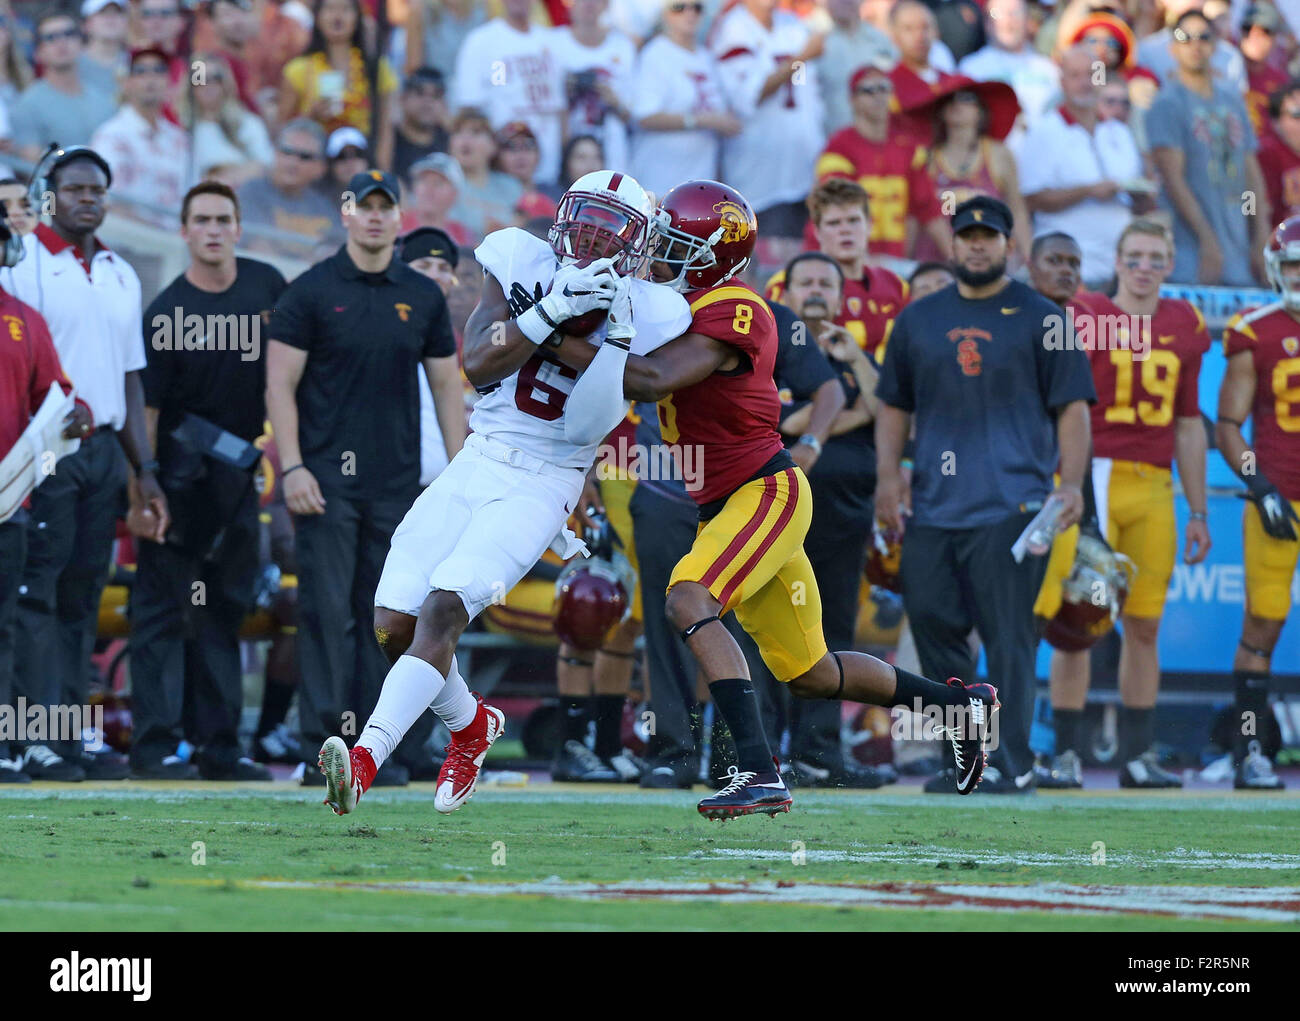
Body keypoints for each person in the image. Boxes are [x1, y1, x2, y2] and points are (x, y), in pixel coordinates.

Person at [553, 180, 1001, 817]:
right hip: (728, 500)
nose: (660, 256)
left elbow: (651, 380)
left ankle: (756, 772)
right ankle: (960, 708)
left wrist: (548, 334)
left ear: (720, 253)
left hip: (764, 492)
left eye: (676, 245)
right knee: (810, 671)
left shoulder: (739, 308)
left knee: (687, 596)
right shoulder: (674, 303)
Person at [313, 170, 692, 816]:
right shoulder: (518, 254)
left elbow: (599, 414)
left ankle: (366, 758)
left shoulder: (654, 307)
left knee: (442, 609)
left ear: (638, 245)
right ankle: (471, 724)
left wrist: (610, 335)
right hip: (479, 454)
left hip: (546, 476)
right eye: (587, 220)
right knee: (394, 623)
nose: (594, 240)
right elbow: (481, 361)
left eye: (612, 229)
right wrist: (551, 310)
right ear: (564, 215)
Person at [875, 194, 1096, 794]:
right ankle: (964, 762)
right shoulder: (918, 319)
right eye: (967, 235)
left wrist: (1070, 484)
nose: (977, 244)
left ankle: (1012, 760)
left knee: (1009, 638)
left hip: (1015, 506)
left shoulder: (1043, 317)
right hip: (934, 508)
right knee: (935, 631)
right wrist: (888, 481)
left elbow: (1073, 409)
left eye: (989, 235)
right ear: (952, 244)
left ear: (1009, 245)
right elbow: (893, 406)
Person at [266, 169, 466, 789]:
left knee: (388, 618)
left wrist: (461, 481)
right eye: (365, 206)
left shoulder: (423, 296)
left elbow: (444, 389)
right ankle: (321, 746)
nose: (376, 216)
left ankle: (383, 751)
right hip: (324, 481)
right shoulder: (310, 291)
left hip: (398, 486)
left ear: (399, 217)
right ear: (346, 214)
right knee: (326, 614)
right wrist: (292, 466)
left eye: (387, 206)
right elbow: (279, 385)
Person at [2, 145, 165, 782]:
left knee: (81, 595)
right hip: (44, 445)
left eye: (98, 188)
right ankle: (34, 737)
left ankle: (70, 738)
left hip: (103, 449)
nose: (88, 198)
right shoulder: (23, 265)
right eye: (74, 189)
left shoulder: (122, 272)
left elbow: (129, 377)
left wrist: (143, 469)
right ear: (49, 195)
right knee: (34, 594)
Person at [1040, 220, 1211, 791]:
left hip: (1154, 481)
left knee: (1145, 625)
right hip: (1096, 475)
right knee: (1079, 619)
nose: (1144, 267)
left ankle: (1138, 757)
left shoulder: (1184, 322)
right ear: (1116, 261)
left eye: (1155, 257)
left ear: (1168, 264)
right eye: (1134, 256)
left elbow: (1190, 424)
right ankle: (1063, 752)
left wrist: (1200, 510)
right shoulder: (1083, 313)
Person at [130, 182, 287, 780]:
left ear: (239, 227)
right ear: (185, 230)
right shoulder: (165, 311)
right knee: (161, 615)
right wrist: (144, 487)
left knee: (225, 612)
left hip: (239, 476)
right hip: (177, 477)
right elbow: (144, 413)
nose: (214, 229)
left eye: (224, 218)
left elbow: (297, 367)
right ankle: (153, 747)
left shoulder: (268, 285)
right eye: (202, 220)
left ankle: (221, 749)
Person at [771, 254, 892, 788]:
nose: (816, 291)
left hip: (844, 515)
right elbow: (782, 419)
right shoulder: (766, 348)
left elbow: (891, 410)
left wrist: (857, 365)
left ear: (841, 296)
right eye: (806, 283)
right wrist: (849, 410)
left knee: (835, 631)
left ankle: (820, 752)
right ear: (787, 291)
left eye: (826, 283)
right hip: (776, 511)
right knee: (768, 630)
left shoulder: (853, 356)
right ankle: (763, 753)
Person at [0, 205, 88, 783]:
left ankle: (5, 745)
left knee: (4, 623)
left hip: (7, 502)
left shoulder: (25, 320)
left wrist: (74, 416)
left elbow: (56, 396)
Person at [1216, 214, 1300, 791]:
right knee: (1261, 628)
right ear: (1277, 269)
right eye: (1295, 264)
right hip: (1282, 498)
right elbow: (1227, 425)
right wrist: (1261, 485)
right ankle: (1251, 752)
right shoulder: (1256, 329)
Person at [1148, 9, 1270, 288]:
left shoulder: (1233, 100)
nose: (1195, 44)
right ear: (1172, 48)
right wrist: (1207, 239)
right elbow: (1173, 180)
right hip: (1193, 255)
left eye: (1203, 37)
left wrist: (1259, 235)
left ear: (1215, 45)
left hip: (1239, 252)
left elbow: (1249, 174)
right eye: (1185, 37)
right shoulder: (1167, 103)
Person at [1019, 45, 1144, 289]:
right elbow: (1030, 199)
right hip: (1070, 271)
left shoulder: (1119, 131)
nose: (1084, 82)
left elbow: (1139, 197)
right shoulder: (1044, 131)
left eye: (1091, 74)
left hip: (1120, 270)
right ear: (1062, 81)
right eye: (1075, 75)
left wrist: (1143, 195)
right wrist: (1087, 191)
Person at [711, 0, 826, 249]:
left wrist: (799, 62)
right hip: (762, 179)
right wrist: (801, 57)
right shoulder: (733, 27)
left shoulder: (792, 25)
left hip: (803, 170)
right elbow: (749, 97)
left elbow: (801, 81)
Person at [815, 60, 951, 262]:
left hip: (894, 263)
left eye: (884, 88)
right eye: (868, 90)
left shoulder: (908, 147)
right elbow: (837, 209)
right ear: (853, 99)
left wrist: (956, 258)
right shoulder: (839, 146)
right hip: (846, 262)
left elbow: (928, 209)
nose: (878, 95)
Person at [765, 178, 909, 359]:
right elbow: (784, 352)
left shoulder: (897, 285)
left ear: (870, 226)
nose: (845, 230)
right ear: (817, 231)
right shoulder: (788, 283)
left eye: (853, 220)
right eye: (834, 223)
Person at [910, 76, 1031, 264]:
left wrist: (1028, 257)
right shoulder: (925, 157)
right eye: (950, 98)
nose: (956, 104)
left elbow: (1017, 210)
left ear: (981, 111)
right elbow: (913, 216)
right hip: (935, 267)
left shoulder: (999, 154)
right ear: (941, 111)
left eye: (966, 98)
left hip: (987, 264)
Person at [628, 0, 739, 199]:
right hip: (659, 184)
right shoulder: (656, 54)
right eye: (679, 7)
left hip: (699, 185)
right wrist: (704, 120)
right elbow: (644, 116)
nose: (690, 13)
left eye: (696, 8)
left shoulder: (705, 56)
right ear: (665, 14)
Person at [452, 0, 564, 183]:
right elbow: (469, 111)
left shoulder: (552, 41)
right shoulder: (481, 41)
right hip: (501, 171)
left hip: (550, 169)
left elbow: (561, 107)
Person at [278, 0, 397, 168]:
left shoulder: (378, 68)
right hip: (313, 167)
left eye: (345, 9)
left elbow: (386, 129)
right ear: (317, 17)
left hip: (362, 163)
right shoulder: (297, 70)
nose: (337, 16)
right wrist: (311, 116)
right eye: (330, 9)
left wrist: (380, 172)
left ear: (358, 18)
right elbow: (282, 131)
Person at [90, 47, 192, 222]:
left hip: (177, 242)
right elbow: (111, 203)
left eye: (159, 71)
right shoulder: (112, 135)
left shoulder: (179, 138)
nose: (150, 78)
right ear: (126, 82)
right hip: (132, 241)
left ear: (168, 81)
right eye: (140, 71)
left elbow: (191, 195)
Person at [9, 10, 119, 163]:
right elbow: (33, 169)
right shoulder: (27, 106)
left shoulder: (104, 100)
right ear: (38, 53)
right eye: (50, 37)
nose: (61, 42)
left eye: (69, 34)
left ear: (82, 43)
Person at [549, 0, 636, 174]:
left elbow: (635, 116)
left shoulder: (623, 46)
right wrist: (566, 94)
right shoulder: (551, 42)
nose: (589, 3)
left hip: (613, 157)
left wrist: (612, 99)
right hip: (563, 156)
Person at [957, 0, 1060, 134]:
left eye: (1015, 13)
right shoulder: (970, 69)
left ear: (1027, 20)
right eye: (997, 14)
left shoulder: (1049, 70)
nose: (1008, 20)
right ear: (987, 23)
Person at [237, 118, 339, 243]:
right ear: (274, 153)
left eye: (305, 157)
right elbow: (257, 248)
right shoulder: (250, 194)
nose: (293, 163)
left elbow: (333, 253)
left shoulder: (325, 209)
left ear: (321, 168)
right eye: (287, 152)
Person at [182, 50, 275, 187]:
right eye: (200, 78)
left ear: (226, 83)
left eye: (216, 78)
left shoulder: (247, 123)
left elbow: (266, 164)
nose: (208, 84)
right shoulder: (181, 127)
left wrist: (227, 178)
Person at [446, 107, 524, 242]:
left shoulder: (511, 186)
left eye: (475, 132)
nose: (465, 139)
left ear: (493, 145)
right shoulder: (441, 183)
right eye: (458, 132)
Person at [819, 0, 896, 135]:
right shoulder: (815, 44)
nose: (845, 2)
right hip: (834, 140)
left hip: (878, 138)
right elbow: (799, 84)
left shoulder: (881, 41)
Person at [390, 66, 450, 187]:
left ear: (444, 104)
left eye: (436, 96)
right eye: (419, 93)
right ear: (403, 99)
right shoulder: (388, 143)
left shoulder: (450, 144)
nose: (428, 101)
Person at [1241, 3, 1288, 142]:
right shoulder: (1226, 73)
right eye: (1248, 28)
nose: (1254, 36)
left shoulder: (1282, 82)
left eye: (1265, 31)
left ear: (1274, 38)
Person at [400, 152, 472, 244]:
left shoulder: (462, 235)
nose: (429, 189)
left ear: (454, 193)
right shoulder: (396, 226)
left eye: (438, 183)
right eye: (423, 180)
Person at [1259, 79, 1300, 222]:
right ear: (1276, 121)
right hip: (1281, 240)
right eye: (1296, 114)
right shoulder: (1265, 154)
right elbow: (1249, 199)